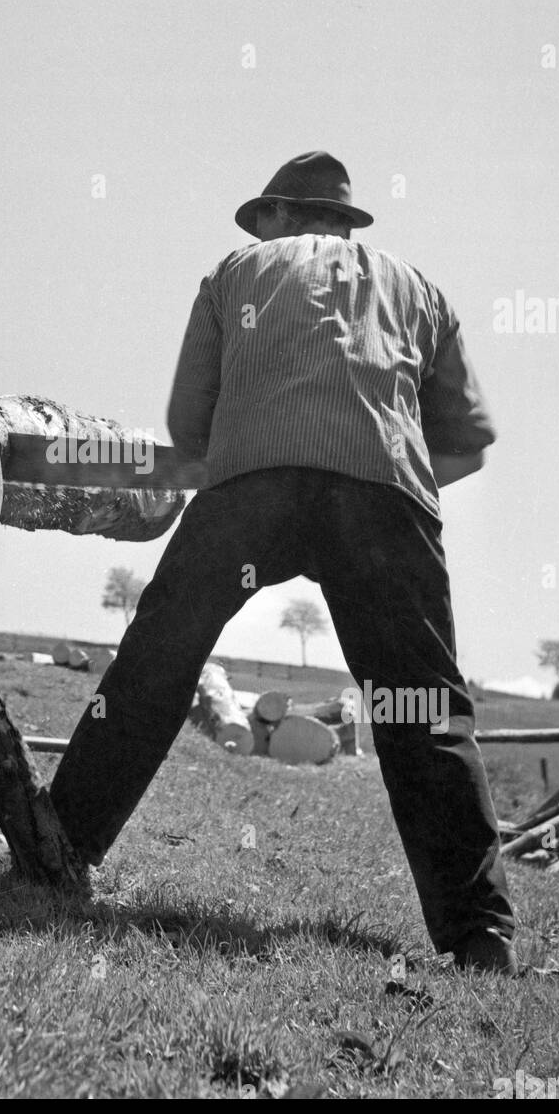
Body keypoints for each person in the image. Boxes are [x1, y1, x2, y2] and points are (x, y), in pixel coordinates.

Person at [48, 150, 519, 975]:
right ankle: (482, 935)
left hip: (251, 489)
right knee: (421, 705)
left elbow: (190, 431)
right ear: (342, 220)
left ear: (276, 215)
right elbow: (470, 442)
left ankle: (61, 848)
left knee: (158, 661)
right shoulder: (421, 291)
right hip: (384, 498)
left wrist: (266, 449)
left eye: (260, 216)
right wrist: (385, 472)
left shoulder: (235, 272)